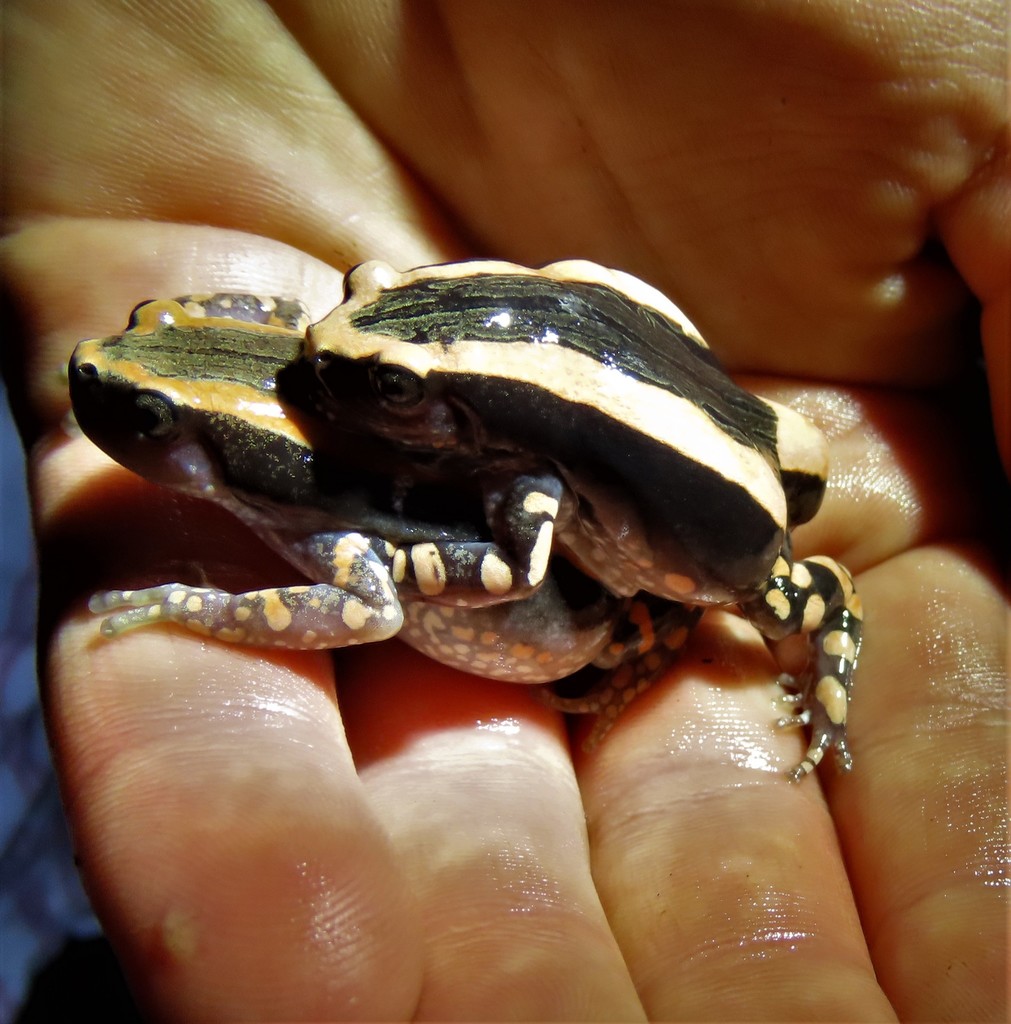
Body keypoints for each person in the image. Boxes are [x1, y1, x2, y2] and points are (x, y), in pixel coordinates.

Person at [3, 2, 1007, 1019]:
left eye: (392, 389)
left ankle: (776, 666)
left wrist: (227, 604)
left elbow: (489, 573)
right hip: (687, 447)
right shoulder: (501, 440)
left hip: (710, 539)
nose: (325, 368)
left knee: (773, 601)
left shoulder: (533, 479)